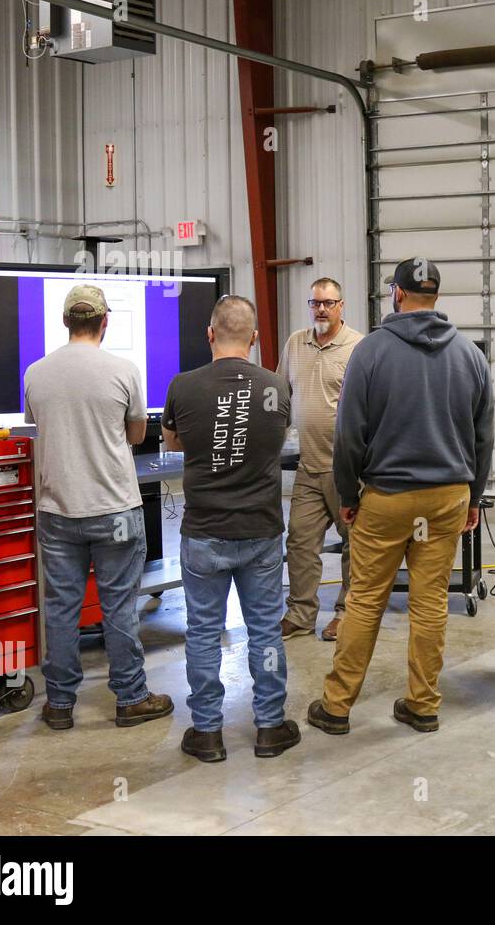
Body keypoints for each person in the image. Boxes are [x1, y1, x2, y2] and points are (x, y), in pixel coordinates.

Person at [307, 258, 494, 736]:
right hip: (447, 497)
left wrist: (347, 493)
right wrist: (473, 496)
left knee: (366, 598)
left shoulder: (369, 352)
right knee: (430, 602)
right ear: (435, 296)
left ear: (397, 293)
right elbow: (483, 438)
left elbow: (348, 434)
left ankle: (337, 706)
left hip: (387, 496)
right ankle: (423, 704)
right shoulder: (471, 356)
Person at [24, 284, 174, 730]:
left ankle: (60, 704)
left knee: (61, 608)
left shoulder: (36, 372)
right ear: (104, 321)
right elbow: (133, 436)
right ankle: (130, 698)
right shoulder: (123, 370)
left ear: (65, 322)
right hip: (114, 509)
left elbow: (35, 426)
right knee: (119, 607)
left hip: (57, 510)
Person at [161, 296, 298, 762]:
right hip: (260, 528)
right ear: (255, 338)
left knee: (203, 632)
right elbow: (275, 441)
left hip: (204, 531)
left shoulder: (182, 385)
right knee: (264, 632)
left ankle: (207, 732)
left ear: (210, 333)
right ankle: (270, 726)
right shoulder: (276, 387)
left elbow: (174, 442)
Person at [278, 277, 363, 641]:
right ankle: (300, 615)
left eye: (329, 303)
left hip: (348, 470)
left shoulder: (359, 347)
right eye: (315, 303)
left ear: (342, 305)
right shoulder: (296, 342)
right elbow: (282, 394)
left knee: (354, 545)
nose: (322, 309)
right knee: (299, 540)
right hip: (308, 466)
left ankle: (346, 614)